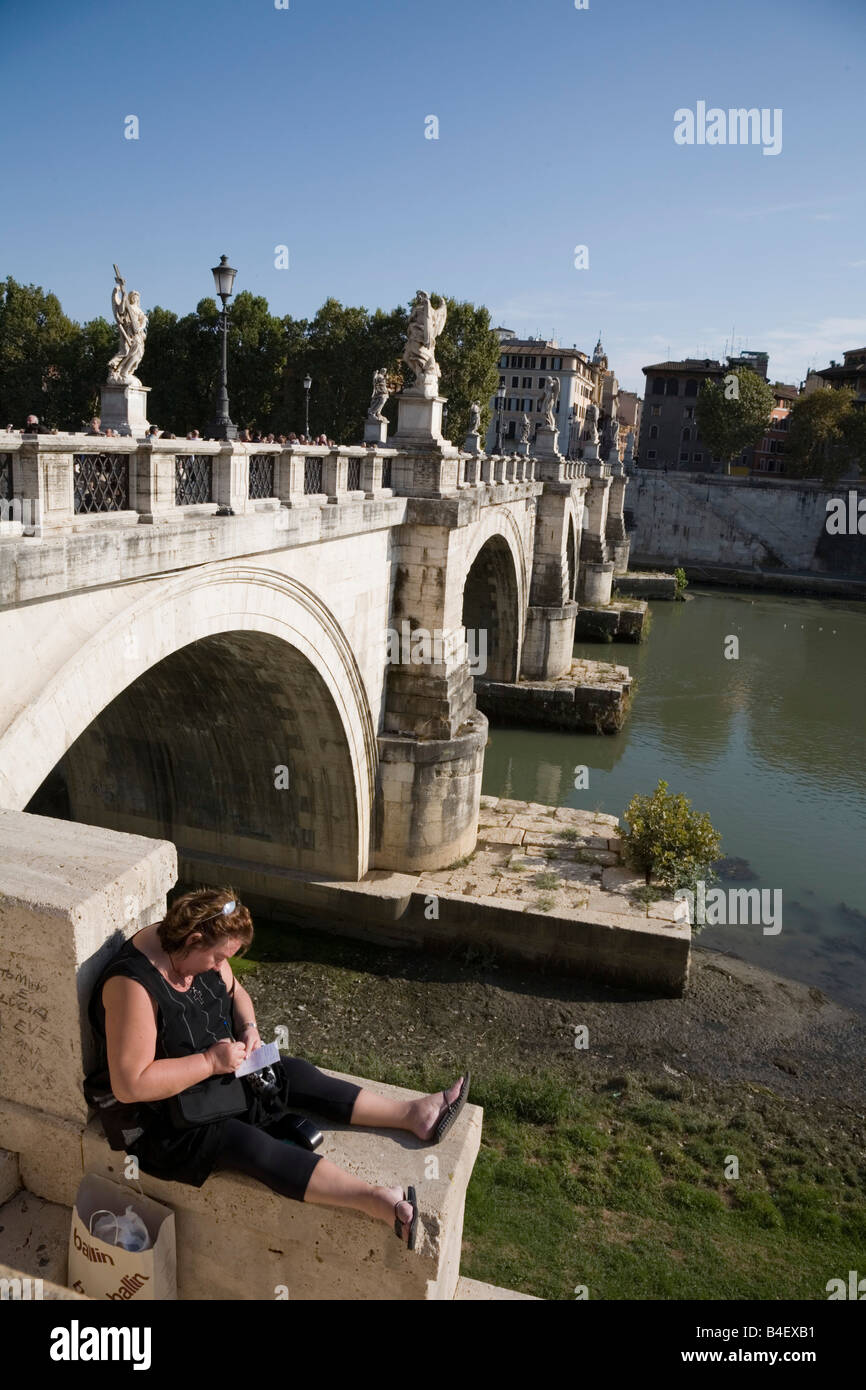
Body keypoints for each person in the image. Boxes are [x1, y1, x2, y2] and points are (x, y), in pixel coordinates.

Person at [85, 888, 469, 1251]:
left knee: (293, 1072)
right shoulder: (132, 985)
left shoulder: (193, 950)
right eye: (219, 958)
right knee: (247, 1146)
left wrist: (249, 1030)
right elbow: (130, 1084)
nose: (222, 966)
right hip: (160, 1118)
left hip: (211, 1072)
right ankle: (379, 1202)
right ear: (192, 940)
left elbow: (237, 995)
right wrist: (209, 1062)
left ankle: (414, 1115)